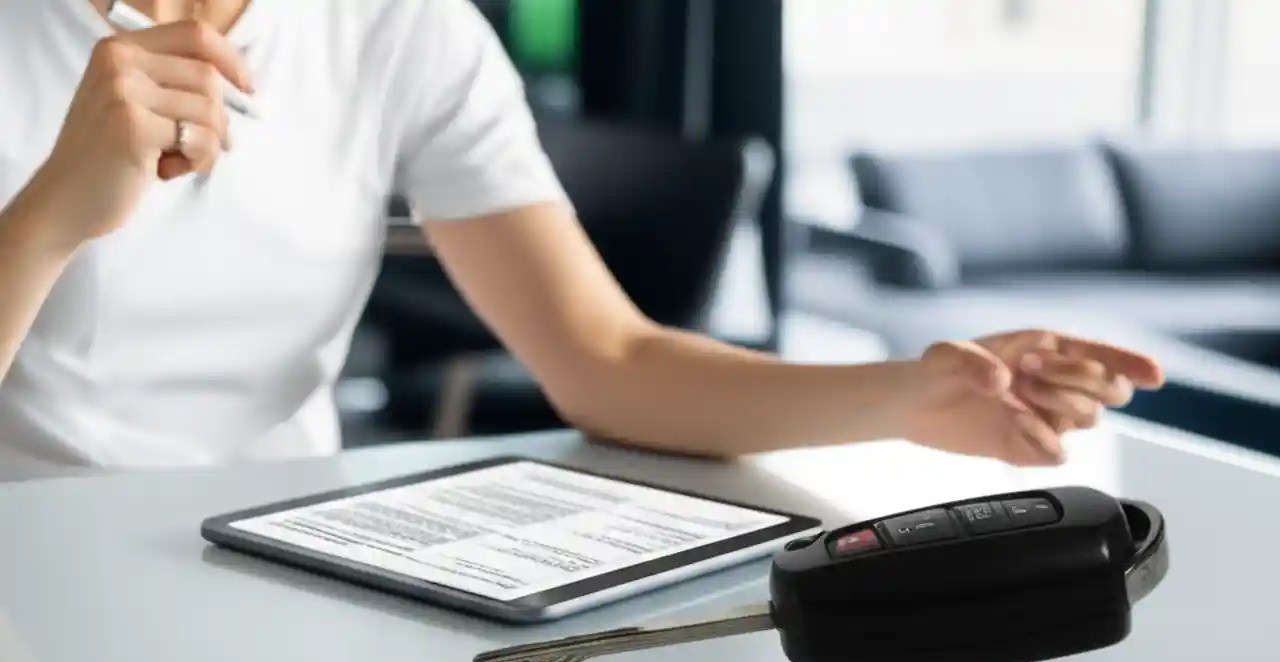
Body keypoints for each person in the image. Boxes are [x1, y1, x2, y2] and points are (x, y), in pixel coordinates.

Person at [0, 0, 1163, 468]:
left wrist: (900, 398)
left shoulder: (399, 23)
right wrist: (52, 213)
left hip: (268, 547)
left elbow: (607, 361)